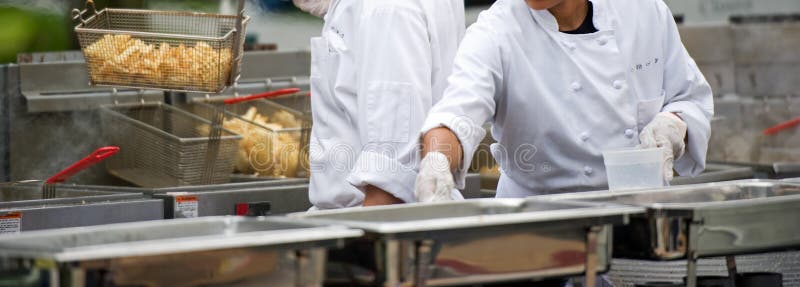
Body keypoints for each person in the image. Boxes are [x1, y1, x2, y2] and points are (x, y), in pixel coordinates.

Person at [414, 0, 714, 200]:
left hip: (639, 221)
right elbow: (455, 116)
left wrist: (673, 124)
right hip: (538, 236)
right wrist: (437, 162)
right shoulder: (496, 32)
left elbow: (689, 98)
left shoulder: (643, 12)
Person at [293, 0, 466, 209]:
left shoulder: (385, 10)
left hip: (362, 223)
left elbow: (391, 181)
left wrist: (369, 241)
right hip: (361, 219)